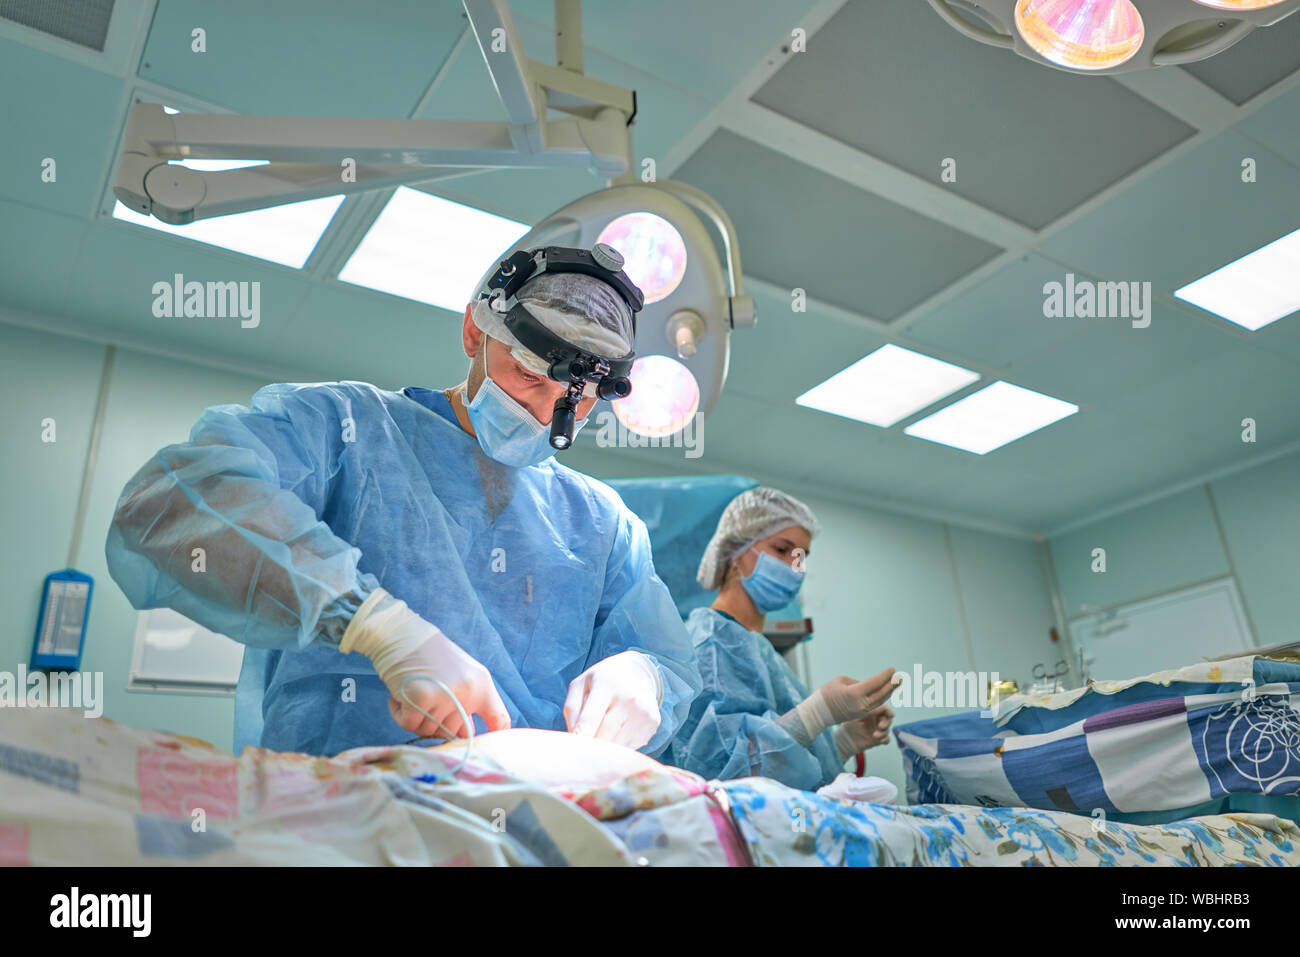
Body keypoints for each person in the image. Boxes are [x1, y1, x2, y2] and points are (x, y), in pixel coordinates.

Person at [106, 245, 701, 758]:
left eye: (579, 398)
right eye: (528, 375)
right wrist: (374, 625)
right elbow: (176, 501)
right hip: (339, 808)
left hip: (522, 820)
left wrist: (646, 675)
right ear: (475, 334)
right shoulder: (348, 429)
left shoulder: (603, 523)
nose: (546, 414)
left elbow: (666, 658)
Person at [664, 487, 896, 791]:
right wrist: (820, 711)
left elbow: (782, 775)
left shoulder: (763, 655)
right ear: (735, 549)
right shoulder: (711, 642)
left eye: (801, 556)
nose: (794, 566)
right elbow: (723, 775)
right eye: (782, 549)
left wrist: (842, 743)